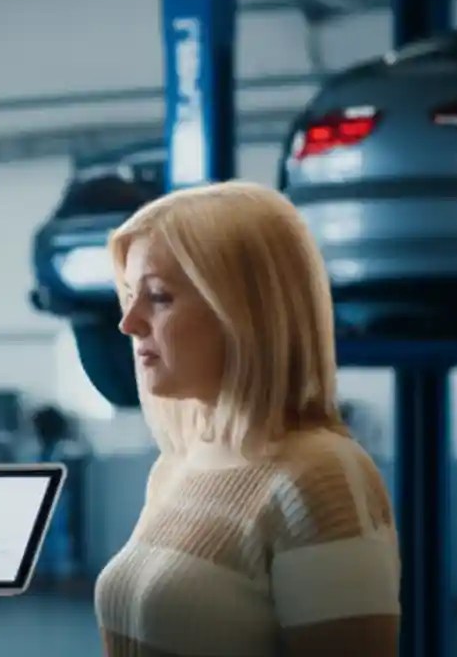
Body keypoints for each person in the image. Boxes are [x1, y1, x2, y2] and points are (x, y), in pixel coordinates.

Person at [93, 182, 401, 656]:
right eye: (130, 295)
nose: (128, 322)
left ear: (244, 313)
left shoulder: (321, 478)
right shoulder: (175, 468)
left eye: (158, 297)